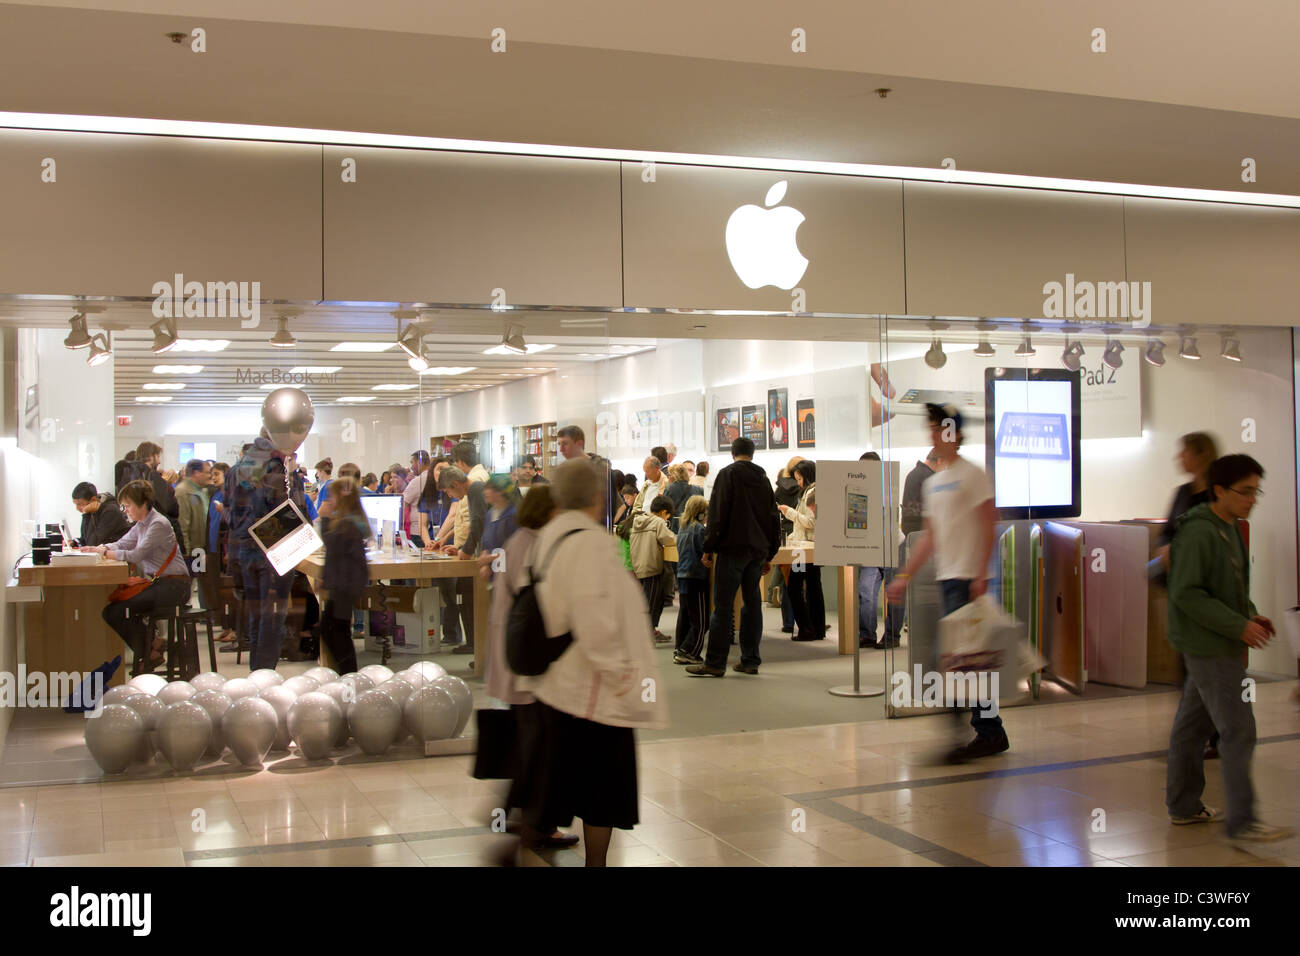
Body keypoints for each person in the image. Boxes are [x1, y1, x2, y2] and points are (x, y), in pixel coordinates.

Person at [520, 456, 667, 866]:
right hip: (593, 693)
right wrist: (620, 673)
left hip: (557, 687)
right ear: (595, 496)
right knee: (602, 792)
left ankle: (530, 848)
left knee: (554, 783)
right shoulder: (591, 542)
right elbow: (595, 619)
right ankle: (595, 863)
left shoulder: (550, 537)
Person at [1164, 454, 1293, 843]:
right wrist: (1238, 625)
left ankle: (1184, 806)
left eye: (1256, 491)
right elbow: (1187, 593)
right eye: (1245, 491)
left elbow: (1230, 588)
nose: (1252, 499)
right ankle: (1243, 822)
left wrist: (1250, 615)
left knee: (1191, 728)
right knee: (1239, 730)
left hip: (1217, 641)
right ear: (1219, 491)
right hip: (1208, 646)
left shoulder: (1230, 526)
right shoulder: (1200, 532)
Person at [887, 404, 1004, 763]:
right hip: (947, 579)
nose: (934, 435)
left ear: (954, 433)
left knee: (961, 663)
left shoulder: (973, 475)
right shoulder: (935, 483)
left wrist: (983, 574)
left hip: (969, 580)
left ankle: (976, 734)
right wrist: (904, 576)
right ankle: (989, 730)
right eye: (932, 429)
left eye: (940, 429)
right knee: (960, 662)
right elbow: (932, 538)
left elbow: (989, 522)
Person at [686, 437, 780, 678]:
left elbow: (718, 514)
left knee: (724, 606)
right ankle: (750, 660)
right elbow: (772, 517)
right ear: (753, 453)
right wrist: (769, 552)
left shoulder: (727, 475)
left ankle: (716, 663)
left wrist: (709, 547)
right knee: (752, 605)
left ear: (732, 453)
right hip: (757, 551)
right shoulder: (763, 478)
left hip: (732, 549)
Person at [1156, 432, 1222, 758]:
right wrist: (1166, 549)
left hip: (1203, 590)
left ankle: (1211, 733)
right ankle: (1197, 731)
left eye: (1183, 452)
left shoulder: (1215, 495)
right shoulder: (1182, 492)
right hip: (1180, 587)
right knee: (1186, 661)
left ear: (1198, 455)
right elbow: (1167, 531)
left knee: (1203, 663)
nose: (1178, 458)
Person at [225, 429, 313, 671]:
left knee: (257, 616)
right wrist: (293, 477)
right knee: (273, 618)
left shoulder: (236, 469)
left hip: (245, 550)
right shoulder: (276, 468)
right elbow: (288, 509)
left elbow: (229, 514)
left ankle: (257, 673)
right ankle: (265, 674)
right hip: (273, 551)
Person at [93, 479, 190, 673]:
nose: (125, 510)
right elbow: (122, 543)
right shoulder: (142, 524)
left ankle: (150, 650)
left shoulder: (158, 524)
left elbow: (137, 555)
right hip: (160, 584)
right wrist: (101, 548)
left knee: (116, 611)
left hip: (174, 587)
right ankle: (153, 645)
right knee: (115, 610)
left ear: (143, 504)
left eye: (128, 506)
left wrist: (105, 553)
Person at [437, 464, 486, 656]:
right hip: (477, 551)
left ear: (456, 484)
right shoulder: (475, 490)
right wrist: (459, 548)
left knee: (467, 593)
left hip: (485, 554)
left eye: (448, 491)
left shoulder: (475, 490)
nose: (449, 495)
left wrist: (465, 551)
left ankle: (476, 645)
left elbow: (478, 524)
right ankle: (473, 643)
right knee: (464, 592)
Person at [319, 477, 367, 675]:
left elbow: (332, 544)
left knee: (337, 631)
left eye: (331, 496)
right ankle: (345, 673)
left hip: (345, 584)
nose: (329, 500)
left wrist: (323, 518)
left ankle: (348, 674)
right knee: (331, 628)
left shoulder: (349, 523)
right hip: (342, 582)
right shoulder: (348, 520)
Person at [857, 451, 904, 649]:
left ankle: (892, 636)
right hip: (870, 547)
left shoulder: (888, 489)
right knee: (865, 591)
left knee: (893, 593)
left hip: (893, 545)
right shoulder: (858, 489)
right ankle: (867, 634)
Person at [781, 460, 825, 642]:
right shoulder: (812, 491)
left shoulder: (813, 493)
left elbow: (811, 522)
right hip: (807, 548)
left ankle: (807, 628)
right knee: (813, 587)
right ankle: (816, 628)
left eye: (799, 478)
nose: (798, 482)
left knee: (795, 587)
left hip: (805, 551)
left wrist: (789, 512)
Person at [630, 494, 678, 644]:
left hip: (639, 567)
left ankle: (648, 631)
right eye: (668, 516)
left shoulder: (637, 521)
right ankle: (647, 633)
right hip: (652, 567)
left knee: (644, 601)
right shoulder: (658, 522)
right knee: (652, 603)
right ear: (664, 512)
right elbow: (669, 539)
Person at [673, 495, 710, 665]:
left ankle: (679, 647)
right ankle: (690, 651)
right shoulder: (700, 530)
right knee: (701, 620)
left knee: (685, 615)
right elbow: (705, 552)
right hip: (696, 576)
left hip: (682, 575)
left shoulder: (682, 528)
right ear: (702, 512)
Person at [773, 455, 805, 634]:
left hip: (784, 538)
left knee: (788, 581)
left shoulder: (779, 489)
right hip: (799, 540)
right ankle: (803, 620)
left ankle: (788, 622)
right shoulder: (802, 490)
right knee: (800, 581)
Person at [71, 482, 130, 547]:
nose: (77, 508)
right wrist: (74, 542)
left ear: (93, 499)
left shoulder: (110, 511)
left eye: (79, 504)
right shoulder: (93, 510)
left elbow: (93, 543)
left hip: (116, 554)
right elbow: (85, 539)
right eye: (76, 504)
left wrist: (86, 515)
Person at [480, 475, 521, 559]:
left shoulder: (514, 515)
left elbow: (517, 550)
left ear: (501, 492)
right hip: (495, 570)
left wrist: (489, 559)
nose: (485, 492)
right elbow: (486, 544)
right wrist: (485, 563)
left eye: (488, 489)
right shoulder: (489, 514)